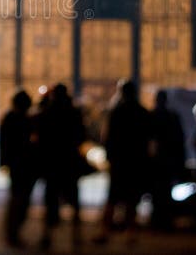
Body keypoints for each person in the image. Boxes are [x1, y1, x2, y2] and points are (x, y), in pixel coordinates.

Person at [94, 78, 151, 244]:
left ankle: (105, 231)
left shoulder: (116, 112)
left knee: (112, 197)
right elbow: (147, 139)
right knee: (132, 198)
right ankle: (131, 232)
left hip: (119, 161)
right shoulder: (142, 112)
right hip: (135, 161)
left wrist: (109, 157)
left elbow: (107, 137)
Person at [35, 83, 87, 248]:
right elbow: (81, 136)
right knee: (74, 203)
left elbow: (39, 138)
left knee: (50, 202)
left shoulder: (47, 113)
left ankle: (47, 237)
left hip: (51, 164)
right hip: (70, 163)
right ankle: (77, 238)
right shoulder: (74, 113)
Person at [0, 89, 37, 248]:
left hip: (17, 166)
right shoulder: (24, 120)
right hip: (24, 166)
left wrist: (4, 162)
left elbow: (3, 144)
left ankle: (12, 233)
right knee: (20, 200)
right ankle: (13, 234)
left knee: (17, 199)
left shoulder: (9, 118)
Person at [149, 89, 186, 230]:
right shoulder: (173, 117)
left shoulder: (151, 116)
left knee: (155, 191)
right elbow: (179, 141)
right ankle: (166, 219)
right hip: (169, 160)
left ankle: (156, 219)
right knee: (166, 191)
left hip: (155, 161)